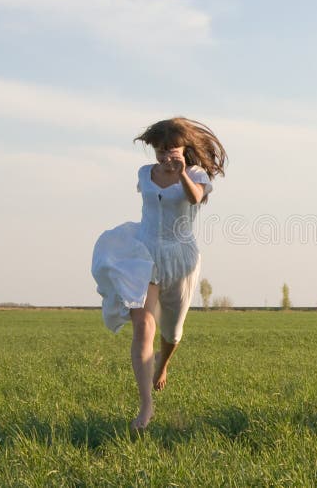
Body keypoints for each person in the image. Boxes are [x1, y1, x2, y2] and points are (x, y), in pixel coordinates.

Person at [91, 117, 227, 429]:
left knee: (172, 332)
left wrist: (181, 176)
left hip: (180, 257)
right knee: (143, 324)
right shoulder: (144, 173)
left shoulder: (196, 174)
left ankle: (162, 364)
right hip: (145, 253)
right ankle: (145, 407)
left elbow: (196, 199)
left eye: (171, 149)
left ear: (183, 148)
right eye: (159, 151)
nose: (165, 156)